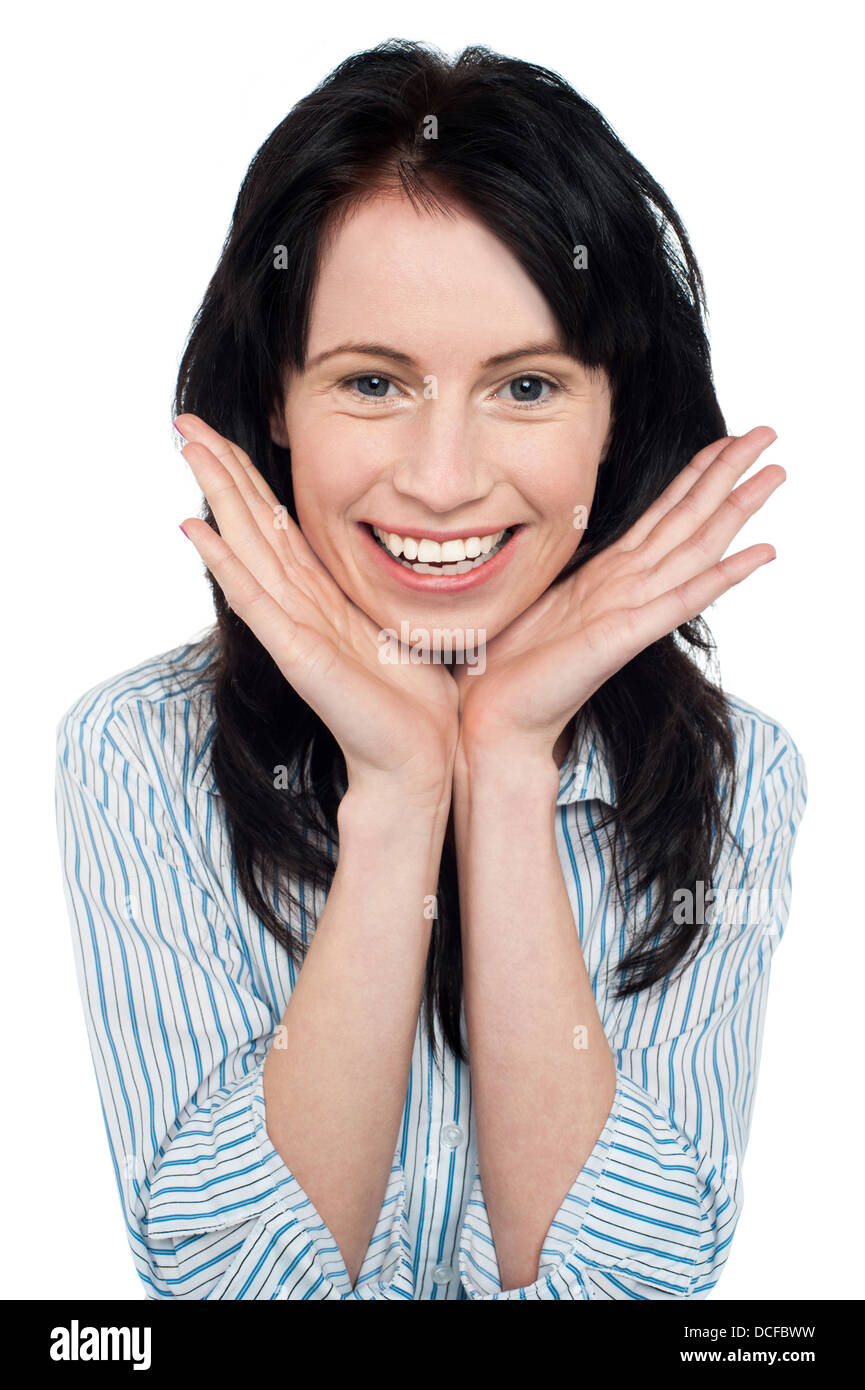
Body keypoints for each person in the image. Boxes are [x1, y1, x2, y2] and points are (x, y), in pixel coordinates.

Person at [55, 39, 807, 1301]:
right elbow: (231, 1290)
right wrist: (401, 790)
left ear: (614, 411)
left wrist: (504, 762)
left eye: (525, 384)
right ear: (277, 401)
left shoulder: (734, 772)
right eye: (370, 381)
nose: (445, 479)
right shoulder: (140, 748)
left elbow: (635, 1294)